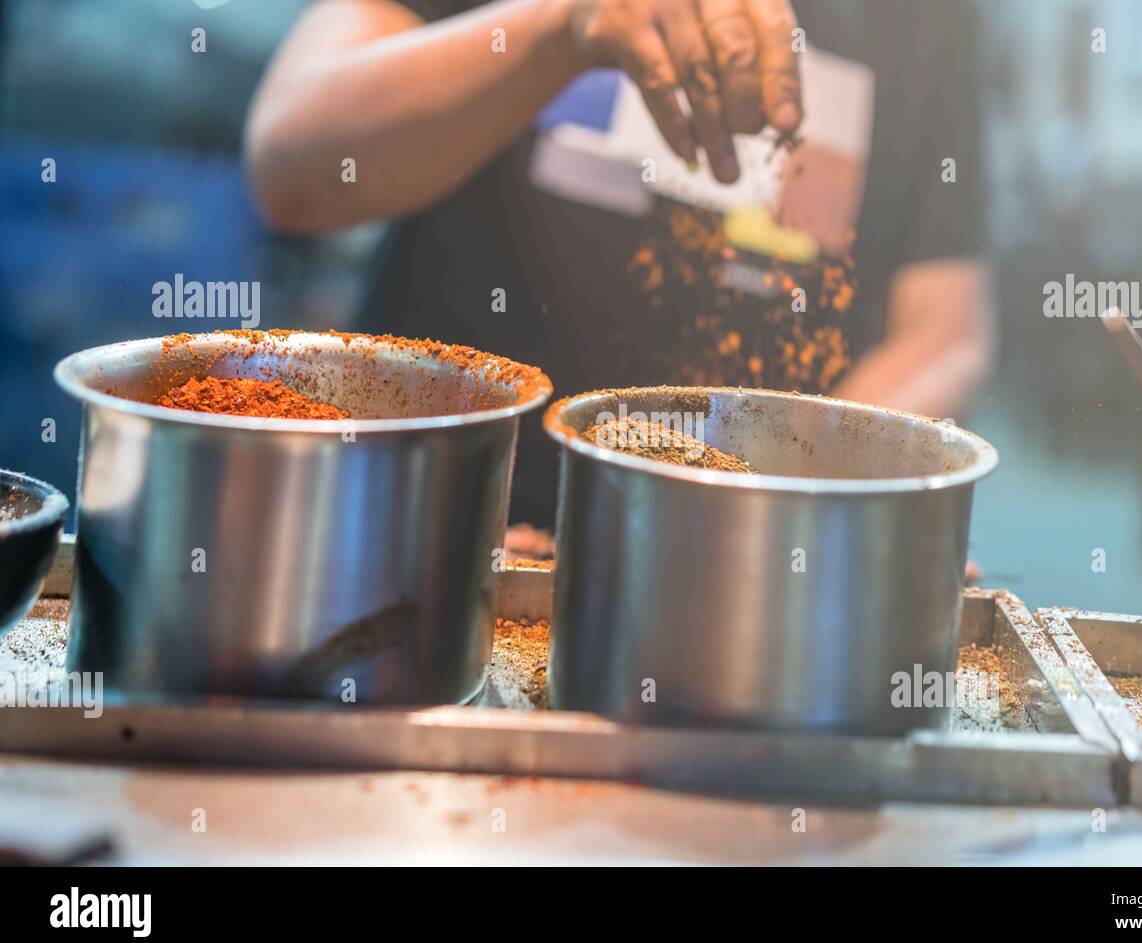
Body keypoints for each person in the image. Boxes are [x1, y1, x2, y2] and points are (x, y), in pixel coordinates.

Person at [246, 0, 992, 551]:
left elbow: (943, 331)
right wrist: (564, 26)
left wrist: (800, 502)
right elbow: (293, 165)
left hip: (743, 575)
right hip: (440, 542)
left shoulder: (931, 22)